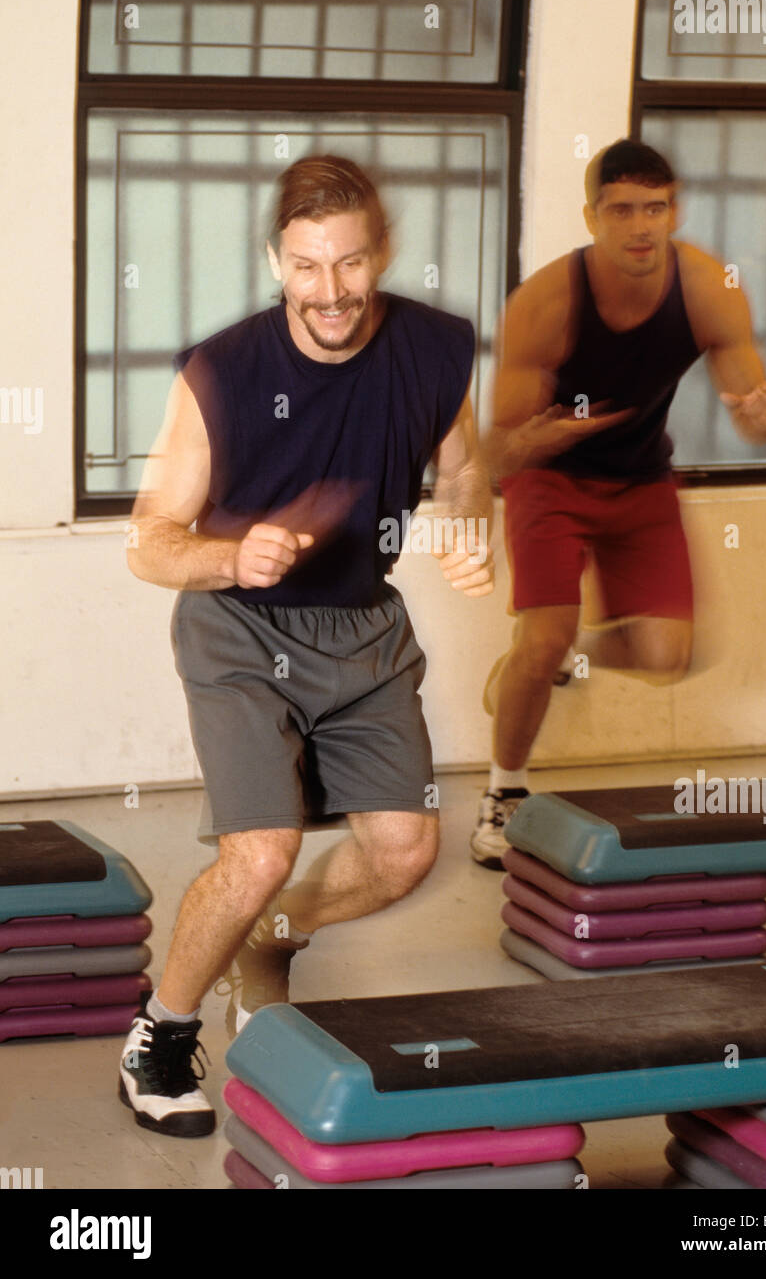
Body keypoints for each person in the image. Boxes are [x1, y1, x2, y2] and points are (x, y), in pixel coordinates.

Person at [119, 155, 493, 1136]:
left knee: (407, 848)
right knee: (259, 850)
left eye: (349, 263)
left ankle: (274, 940)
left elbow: (462, 470)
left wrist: (466, 525)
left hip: (364, 624)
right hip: (237, 623)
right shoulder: (222, 371)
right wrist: (230, 554)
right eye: (306, 267)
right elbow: (149, 545)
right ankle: (159, 1034)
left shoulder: (434, 349)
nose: (329, 291)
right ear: (277, 261)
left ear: (380, 254)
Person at [470, 138, 766, 869]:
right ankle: (503, 795)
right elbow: (495, 454)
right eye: (622, 210)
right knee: (541, 634)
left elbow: (744, 403)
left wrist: (762, 415)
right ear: (592, 217)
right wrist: (544, 435)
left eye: (654, 207)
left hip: (642, 479)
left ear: (673, 209)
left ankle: (565, 658)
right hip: (552, 480)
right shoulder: (547, 303)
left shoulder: (710, 287)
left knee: (668, 656)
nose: (641, 226)